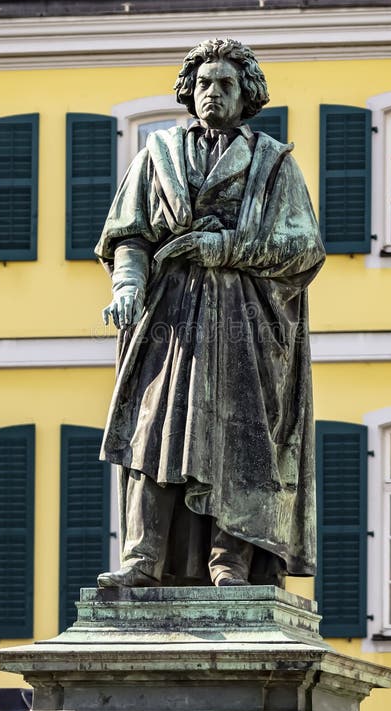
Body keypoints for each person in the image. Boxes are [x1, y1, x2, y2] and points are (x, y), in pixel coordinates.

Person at [95, 38, 325, 589]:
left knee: (242, 441)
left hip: (246, 324)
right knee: (153, 432)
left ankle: (231, 566)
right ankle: (142, 558)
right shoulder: (158, 154)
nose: (212, 94)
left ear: (246, 93)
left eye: (225, 84)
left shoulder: (273, 164)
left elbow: (303, 247)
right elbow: (130, 235)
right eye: (203, 83)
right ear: (189, 91)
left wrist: (224, 249)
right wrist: (128, 284)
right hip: (169, 320)